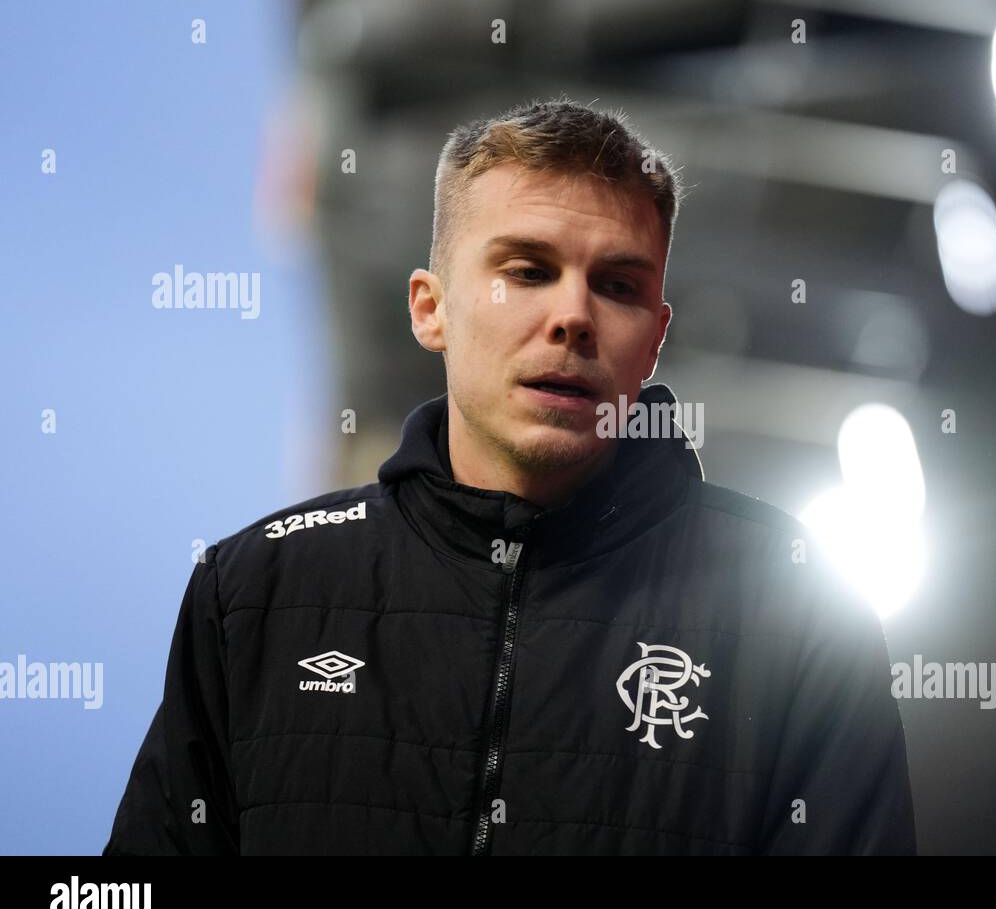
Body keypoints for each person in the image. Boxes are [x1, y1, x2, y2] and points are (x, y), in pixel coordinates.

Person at [103, 97, 916, 855]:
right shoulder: (256, 593)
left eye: (618, 286)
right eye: (527, 270)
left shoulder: (798, 608)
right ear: (431, 309)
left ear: (656, 336)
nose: (573, 316)